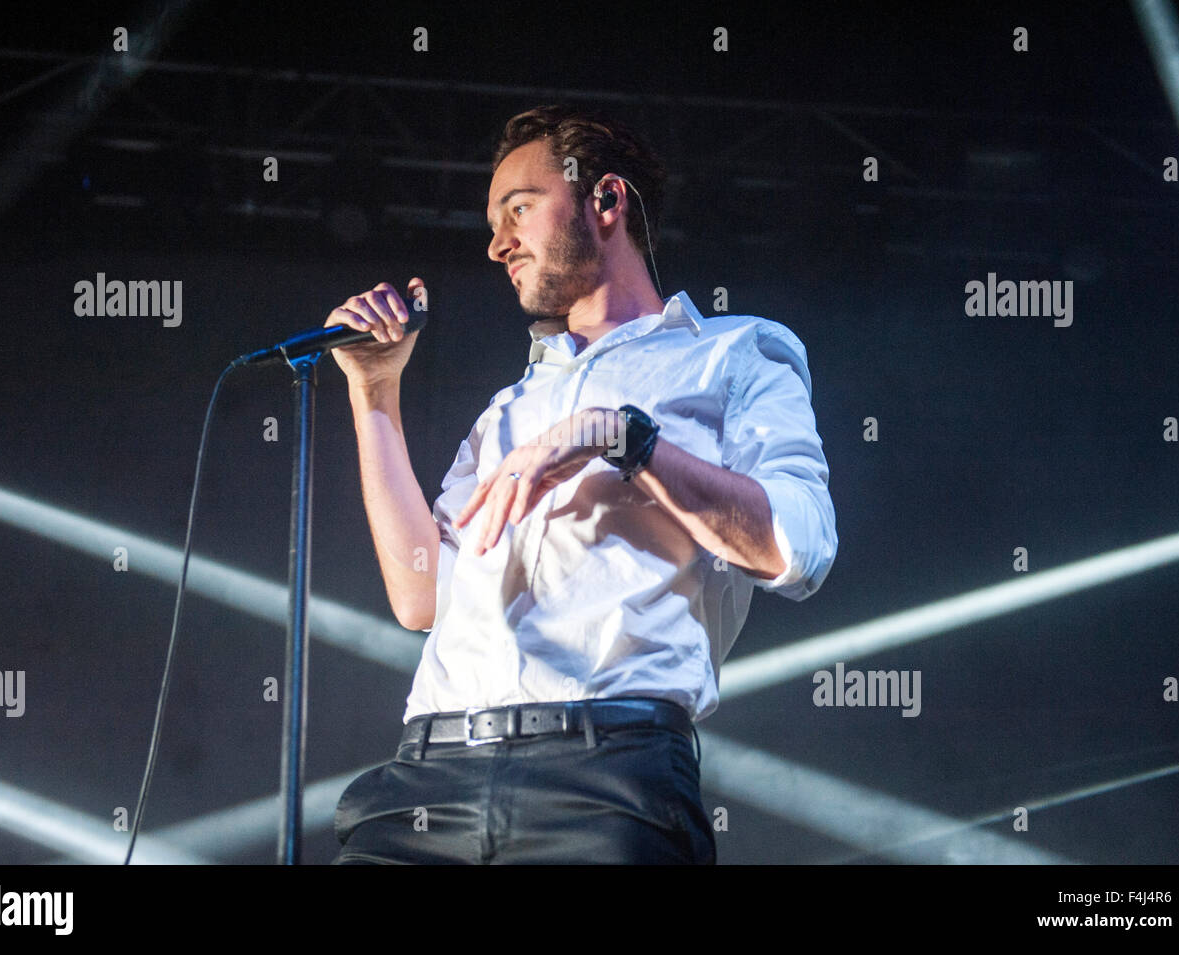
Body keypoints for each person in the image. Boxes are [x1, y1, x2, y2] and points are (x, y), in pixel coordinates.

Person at [325, 105, 837, 864]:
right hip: (426, 775)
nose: (498, 244)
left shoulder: (734, 355)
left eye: (518, 210)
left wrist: (624, 434)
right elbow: (420, 595)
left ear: (605, 201)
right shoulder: (507, 410)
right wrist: (373, 393)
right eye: (494, 223)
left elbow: (800, 545)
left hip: (604, 778)